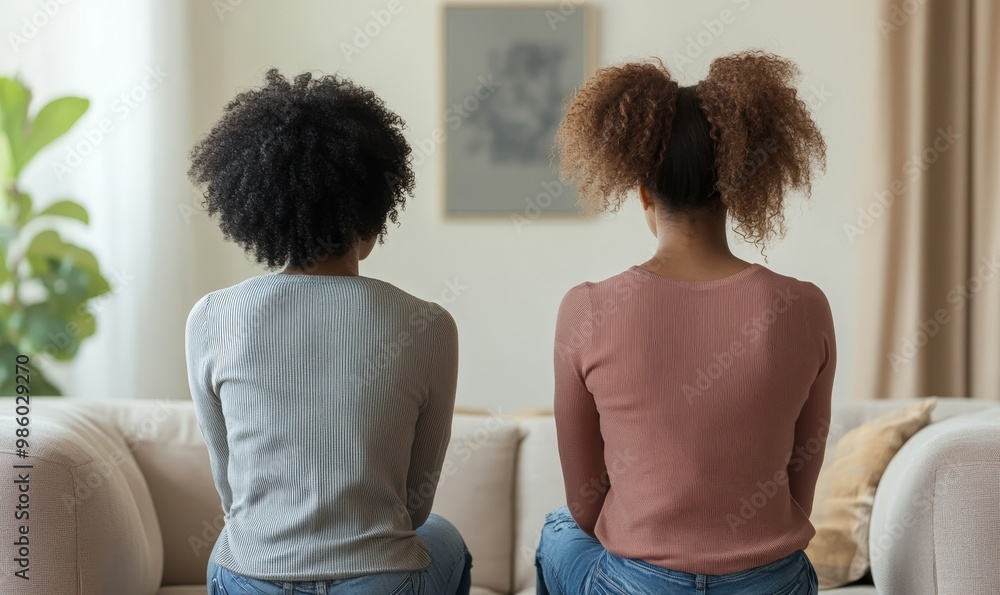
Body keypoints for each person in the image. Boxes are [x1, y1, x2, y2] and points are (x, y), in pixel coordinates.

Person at [536, 51, 835, 595]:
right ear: (739, 187)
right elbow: (799, 492)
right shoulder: (807, 307)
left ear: (643, 191)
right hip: (773, 584)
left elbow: (585, 508)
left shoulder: (584, 310)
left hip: (640, 585)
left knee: (558, 530)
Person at [185, 69, 471, 595]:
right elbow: (416, 501)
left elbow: (230, 490)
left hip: (249, 580)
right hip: (380, 582)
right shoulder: (429, 325)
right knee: (445, 537)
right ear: (373, 215)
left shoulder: (212, 316)